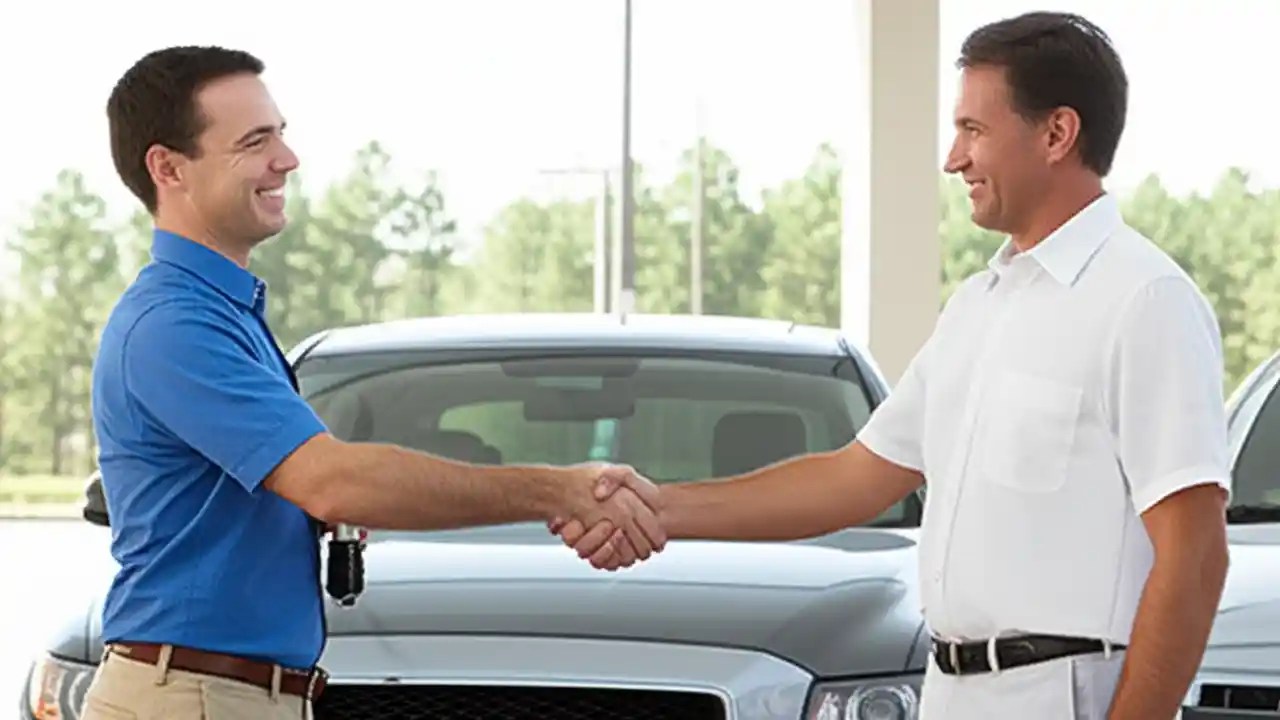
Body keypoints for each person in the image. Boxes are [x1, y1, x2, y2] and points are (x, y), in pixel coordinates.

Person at [553, 11, 1230, 720]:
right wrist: (656, 510)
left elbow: (1194, 554)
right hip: (949, 691)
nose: (952, 158)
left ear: (1057, 134)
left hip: (1065, 696)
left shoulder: (1145, 301)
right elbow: (853, 478)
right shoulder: (977, 306)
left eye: (974, 130)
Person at [82, 45, 663, 720]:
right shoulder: (174, 326)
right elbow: (334, 480)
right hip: (194, 701)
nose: (287, 160)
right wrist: (556, 489)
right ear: (167, 168)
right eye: (254, 141)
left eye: (282, 134)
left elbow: (318, 491)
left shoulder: (219, 314)